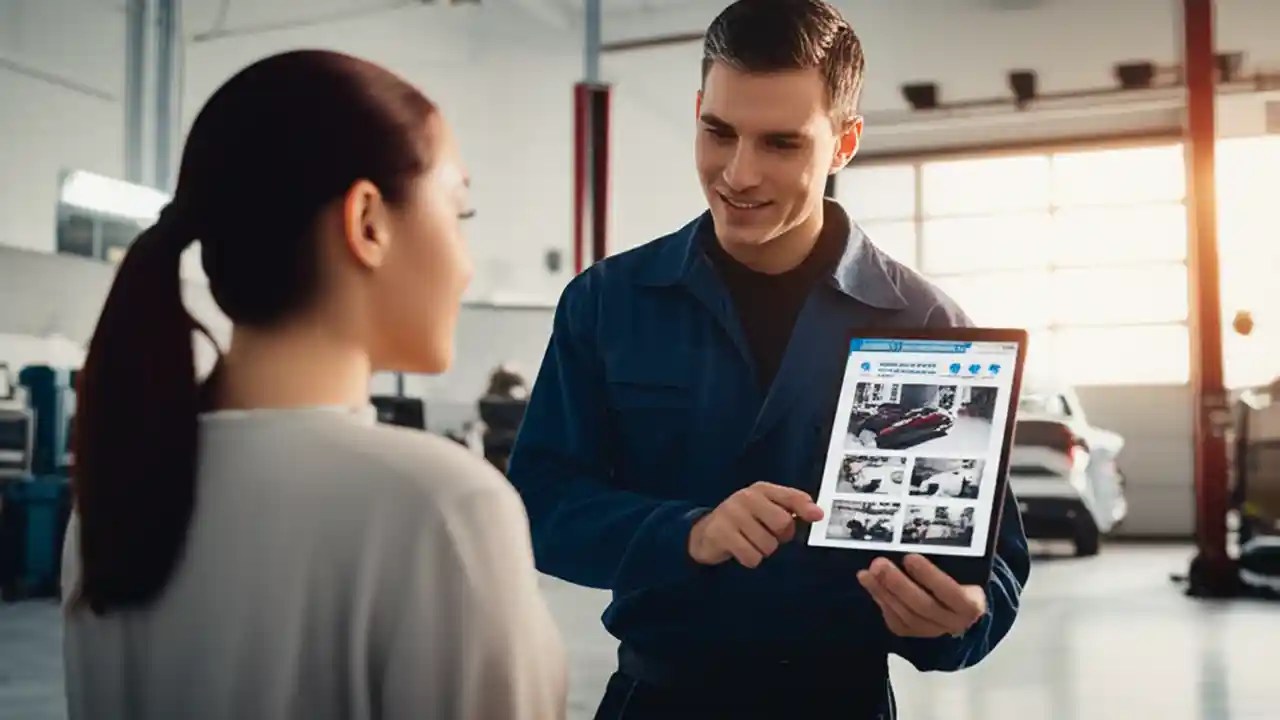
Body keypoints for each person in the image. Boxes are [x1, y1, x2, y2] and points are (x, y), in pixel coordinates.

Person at [507, 1, 1030, 718]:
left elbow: (993, 567)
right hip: (657, 699)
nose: (738, 174)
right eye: (718, 132)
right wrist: (689, 531)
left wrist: (957, 619)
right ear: (697, 111)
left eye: (781, 144)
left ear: (844, 143)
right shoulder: (607, 304)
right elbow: (540, 504)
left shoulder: (928, 324)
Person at [60, 50, 565, 720]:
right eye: (460, 213)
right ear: (368, 223)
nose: (466, 266)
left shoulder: (118, 499)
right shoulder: (440, 506)